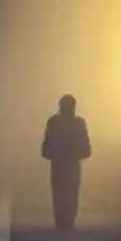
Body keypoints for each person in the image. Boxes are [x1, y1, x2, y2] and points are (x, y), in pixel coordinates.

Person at [41, 94, 91, 230]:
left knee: (59, 191)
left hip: (59, 163)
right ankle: (68, 219)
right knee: (72, 191)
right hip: (72, 163)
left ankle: (61, 219)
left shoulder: (54, 122)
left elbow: (47, 143)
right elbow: (85, 144)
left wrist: (50, 153)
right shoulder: (78, 123)